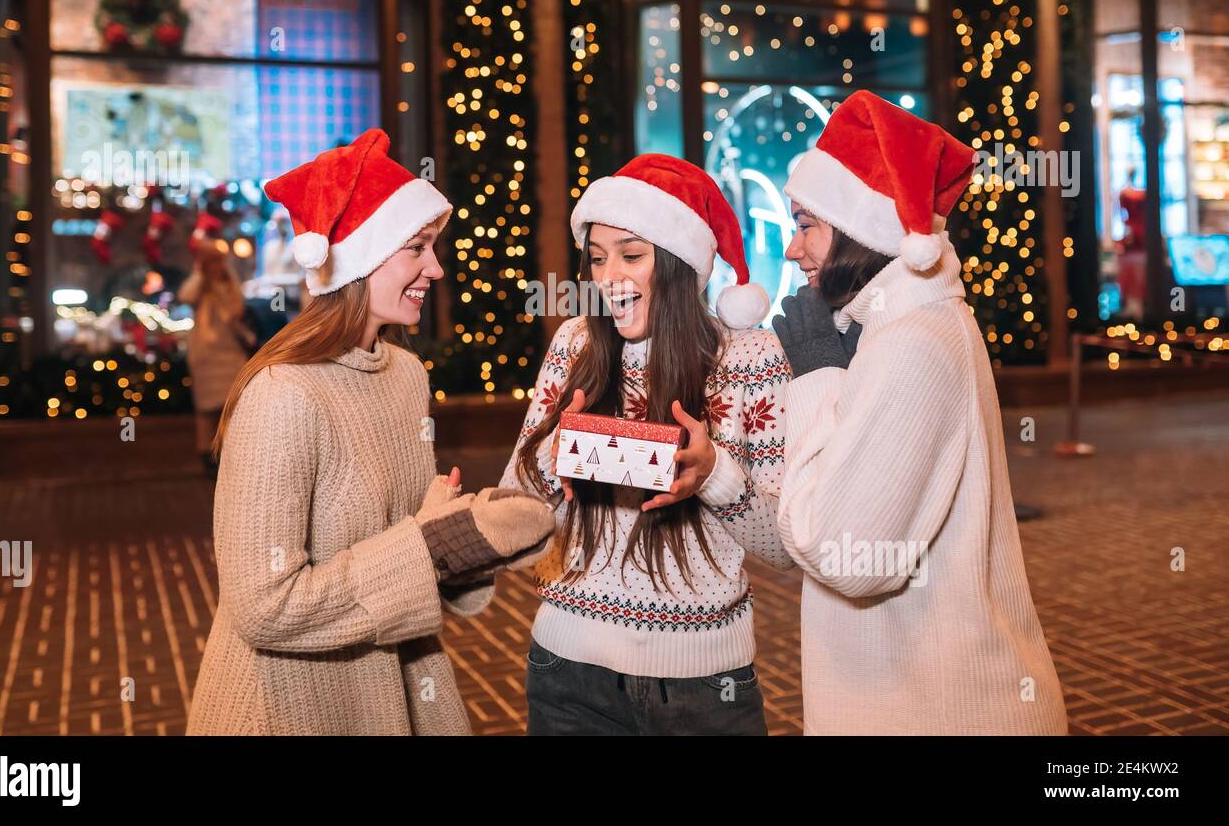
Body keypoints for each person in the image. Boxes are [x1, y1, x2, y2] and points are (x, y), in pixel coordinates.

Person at [187, 129, 554, 736]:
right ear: (360, 259)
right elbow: (262, 605)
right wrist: (429, 544)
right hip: (289, 709)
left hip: (398, 692)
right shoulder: (284, 395)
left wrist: (468, 542)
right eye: (417, 248)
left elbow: (408, 548)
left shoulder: (405, 374)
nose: (435, 268)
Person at [772, 90, 1068, 734]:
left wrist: (819, 375)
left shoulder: (912, 340)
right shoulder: (904, 326)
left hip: (940, 708)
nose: (794, 251)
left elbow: (848, 557)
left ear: (860, 231)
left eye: (804, 224)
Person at [500, 153, 795, 736]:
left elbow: (784, 546)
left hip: (708, 684)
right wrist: (553, 452)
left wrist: (714, 475)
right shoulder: (575, 345)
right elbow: (514, 503)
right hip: (567, 672)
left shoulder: (752, 359)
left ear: (683, 264)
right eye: (598, 257)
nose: (609, 277)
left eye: (632, 255)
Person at [179, 241, 252, 476]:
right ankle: (207, 454)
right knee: (207, 408)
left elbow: (238, 309)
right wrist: (200, 273)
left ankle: (230, 451)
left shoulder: (229, 283)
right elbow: (186, 295)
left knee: (232, 403)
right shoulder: (200, 287)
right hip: (206, 355)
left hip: (230, 351)